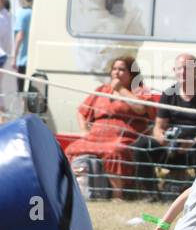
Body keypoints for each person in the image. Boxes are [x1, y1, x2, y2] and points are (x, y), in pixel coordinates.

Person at [64, 55, 157, 200]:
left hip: (123, 137)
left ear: (132, 74)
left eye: (122, 69)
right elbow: (82, 111)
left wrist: (121, 89)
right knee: (72, 149)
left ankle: (117, 194)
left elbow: (140, 108)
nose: (116, 73)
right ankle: (75, 190)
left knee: (114, 151)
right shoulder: (102, 90)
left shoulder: (140, 91)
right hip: (94, 136)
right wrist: (84, 130)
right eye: (114, 69)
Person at [129, 53, 196, 198]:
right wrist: (162, 138)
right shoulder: (168, 94)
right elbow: (159, 126)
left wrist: (193, 142)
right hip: (171, 146)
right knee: (141, 145)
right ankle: (151, 194)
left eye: (188, 68)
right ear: (174, 71)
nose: (183, 72)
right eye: (180, 68)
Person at [12, 0, 34, 83]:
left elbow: (20, 36)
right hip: (34, 58)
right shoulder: (35, 12)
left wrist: (14, 58)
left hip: (23, 60)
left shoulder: (22, 13)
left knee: (22, 93)